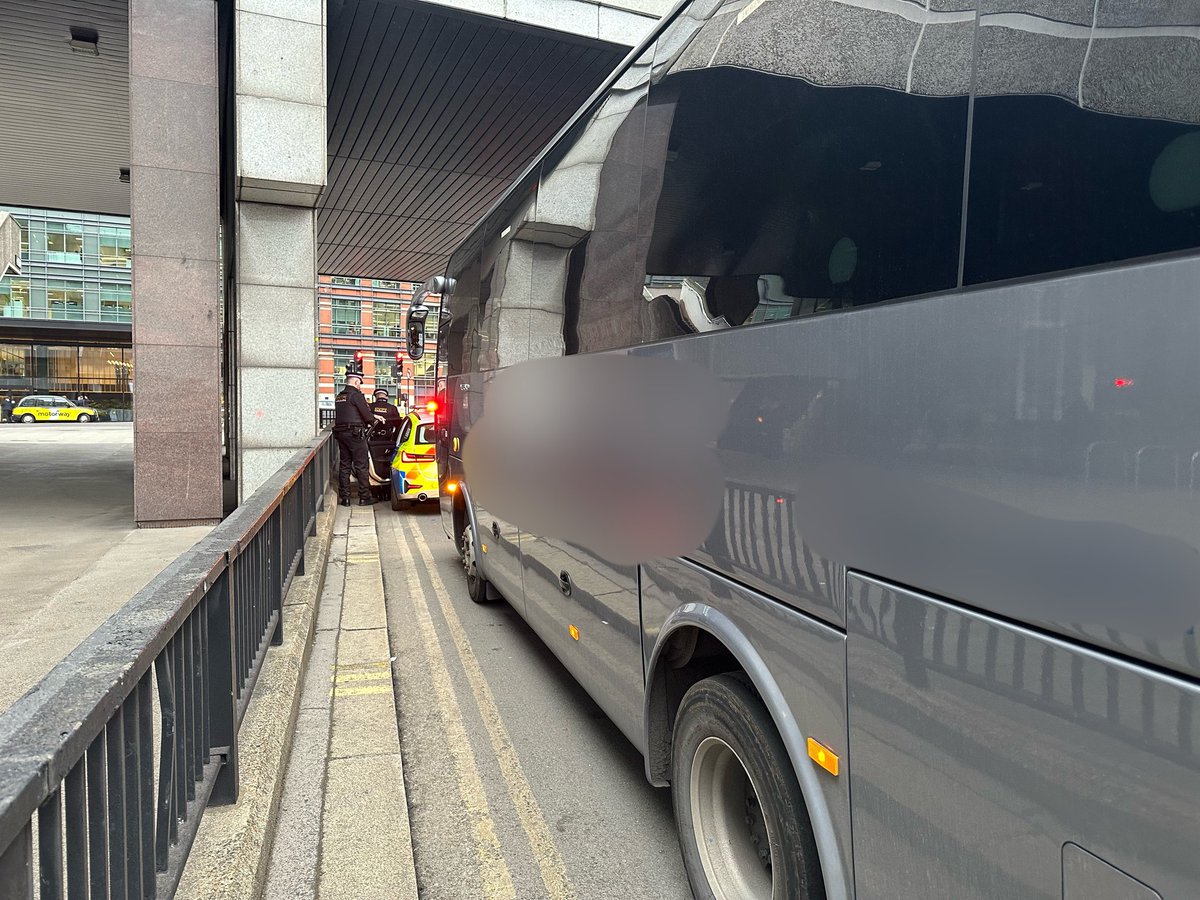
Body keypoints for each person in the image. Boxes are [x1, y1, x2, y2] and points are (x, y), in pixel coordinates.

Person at [333, 367, 376, 506]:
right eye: (359, 383)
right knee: (361, 465)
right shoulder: (356, 395)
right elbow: (367, 416)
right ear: (357, 382)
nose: (359, 386)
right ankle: (364, 497)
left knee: (344, 465)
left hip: (341, 434)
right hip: (355, 434)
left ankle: (345, 498)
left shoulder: (339, 396)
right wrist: (373, 419)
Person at [368, 388, 405, 501]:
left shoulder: (371, 407)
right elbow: (398, 425)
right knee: (389, 463)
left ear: (376, 396)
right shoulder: (392, 408)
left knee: (372, 465)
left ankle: (375, 492)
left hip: (374, 440)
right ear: (386, 397)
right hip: (389, 441)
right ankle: (387, 493)